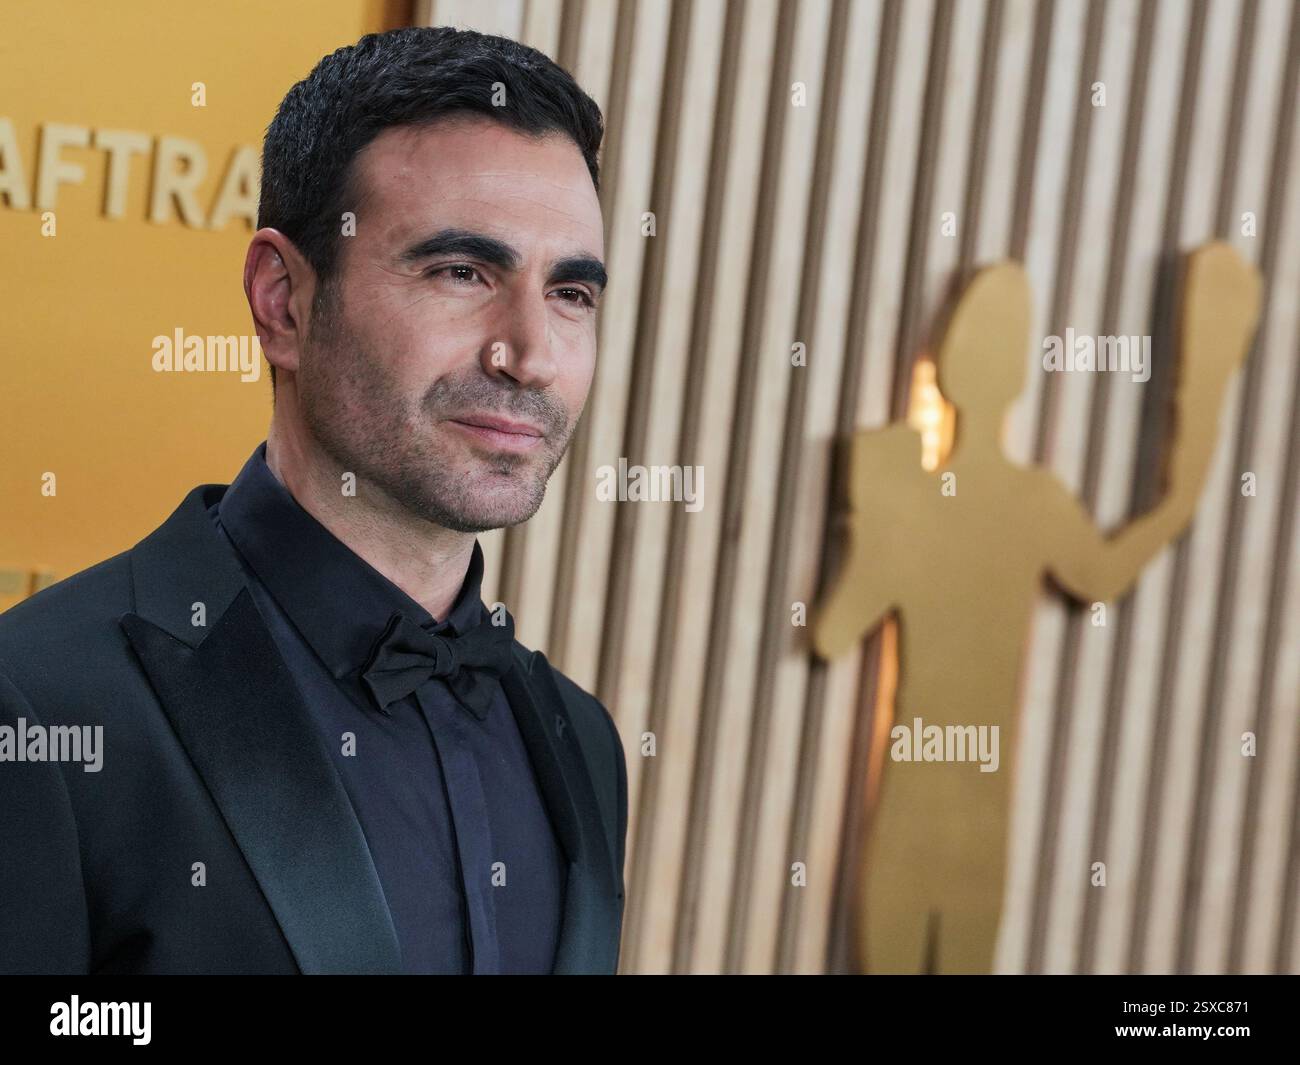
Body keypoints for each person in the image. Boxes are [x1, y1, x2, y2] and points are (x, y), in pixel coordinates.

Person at [0, 25, 626, 975]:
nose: (531, 353)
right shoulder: (39, 704)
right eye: (462, 272)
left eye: (571, 291)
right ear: (282, 301)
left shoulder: (581, 741)